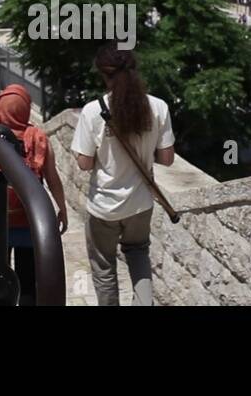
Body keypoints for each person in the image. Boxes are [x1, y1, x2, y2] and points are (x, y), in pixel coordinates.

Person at [70, 45, 175, 306]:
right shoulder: (158, 107)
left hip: (104, 206)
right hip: (140, 203)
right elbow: (167, 158)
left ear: (104, 75)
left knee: (104, 268)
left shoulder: (93, 111)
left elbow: (84, 163)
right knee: (138, 254)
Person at [0, 85, 68, 306]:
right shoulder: (38, 138)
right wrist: (62, 209)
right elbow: (52, 179)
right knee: (27, 280)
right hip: (30, 221)